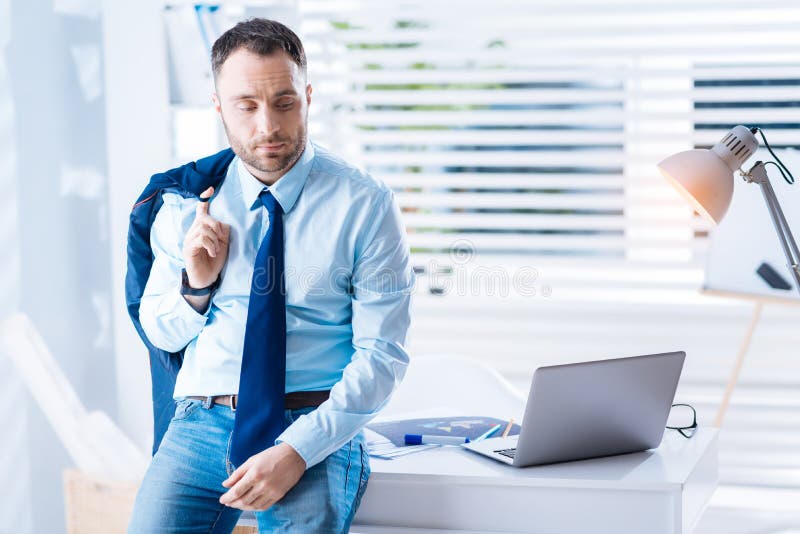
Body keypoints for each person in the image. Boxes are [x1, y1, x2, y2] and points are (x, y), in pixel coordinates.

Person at [127, 18, 414, 533]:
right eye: (246, 106)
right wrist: (197, 286)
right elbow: (160, 333)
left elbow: (382, 356)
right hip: (200, 423)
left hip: (314, 423)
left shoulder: (365, 204)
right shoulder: (185, 204)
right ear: (219, 107)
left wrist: (298, 451)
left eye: (285, 102)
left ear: (307, 96)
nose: (268, 127)